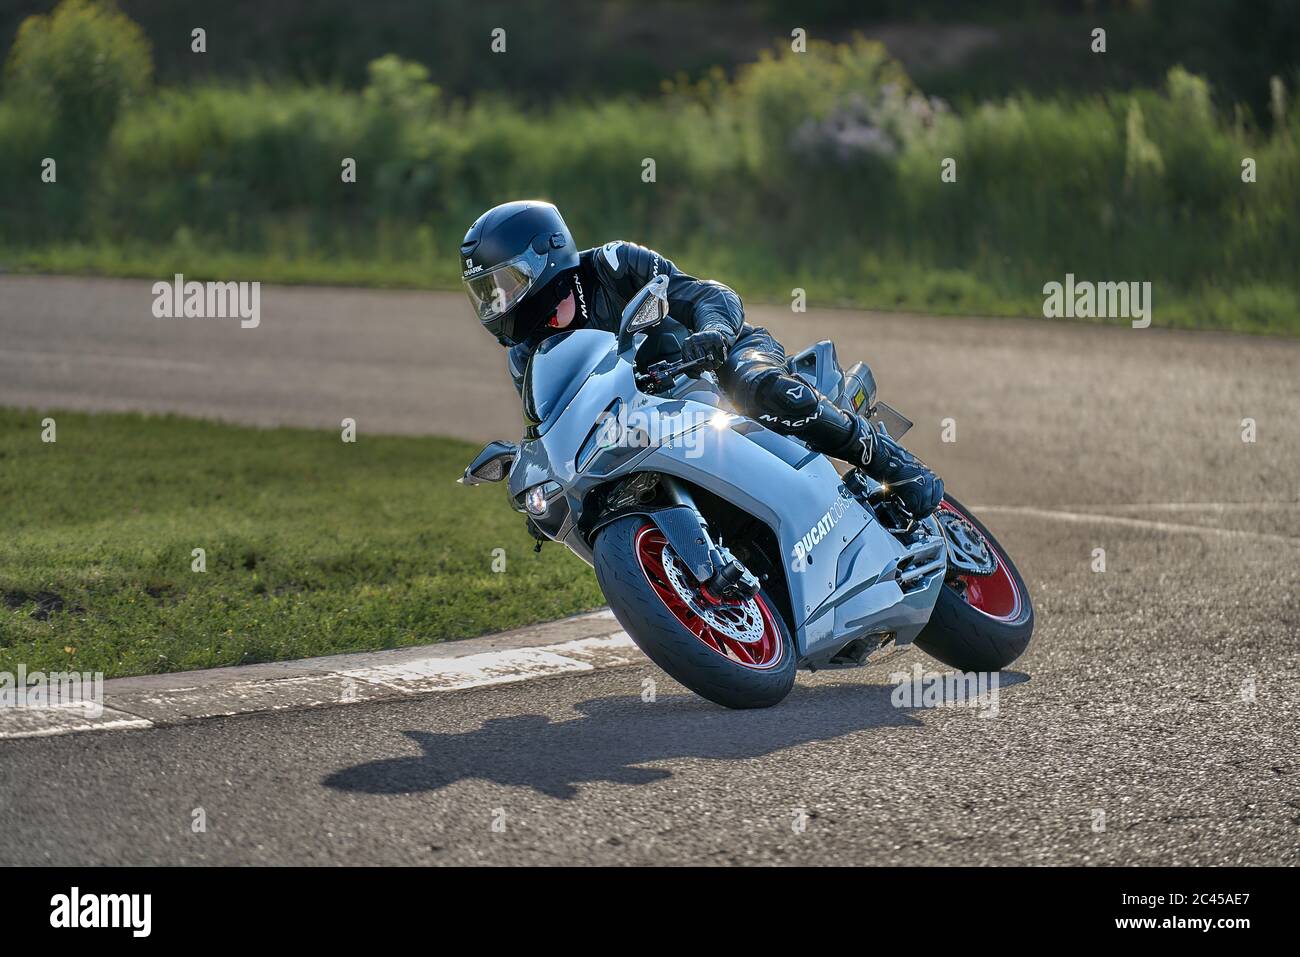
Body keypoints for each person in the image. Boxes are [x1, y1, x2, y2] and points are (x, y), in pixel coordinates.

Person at [460, 200, 943, 517]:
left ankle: (893, 463)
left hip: (720, 361)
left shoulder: (611, 265)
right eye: (487, 293)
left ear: (546, 255)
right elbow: (552, 429)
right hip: (652, 424)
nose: (498, 303)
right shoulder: (528, 357)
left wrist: (712, 333)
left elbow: (706, 294)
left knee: (762, 388)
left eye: (506, 284)